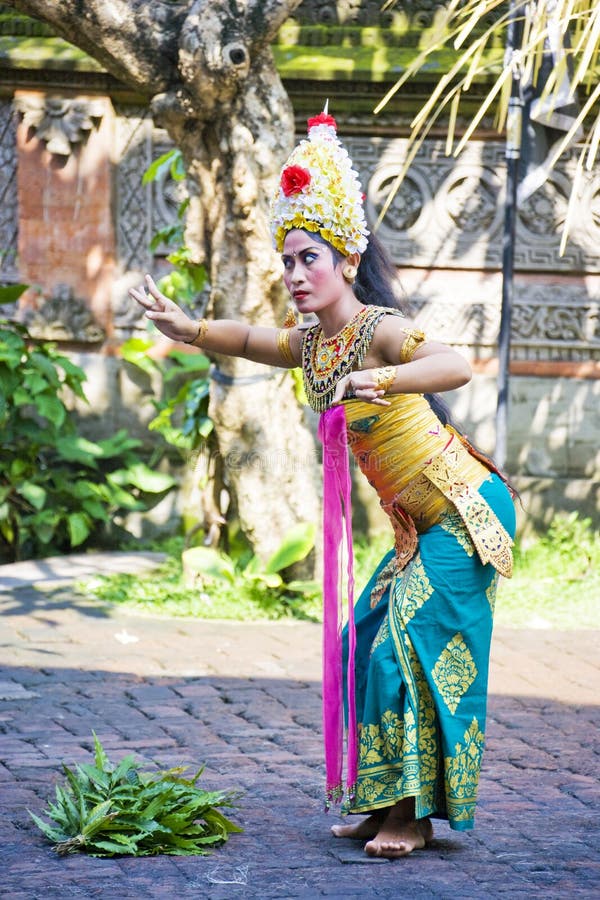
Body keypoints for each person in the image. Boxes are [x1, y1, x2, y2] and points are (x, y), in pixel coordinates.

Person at [130, 110, 516, 859]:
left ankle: (413, 815)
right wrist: (188, 328)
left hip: (466, 513)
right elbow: (251, 339)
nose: (296, 275)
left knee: (403, 649)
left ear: (345, 259)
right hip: (417, 525)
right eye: (287, 261)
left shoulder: (376, 327)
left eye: (310, 258)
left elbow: (456, 365)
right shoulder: (312, 345)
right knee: (360, 642)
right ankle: (379, 803)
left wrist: (387, 377)